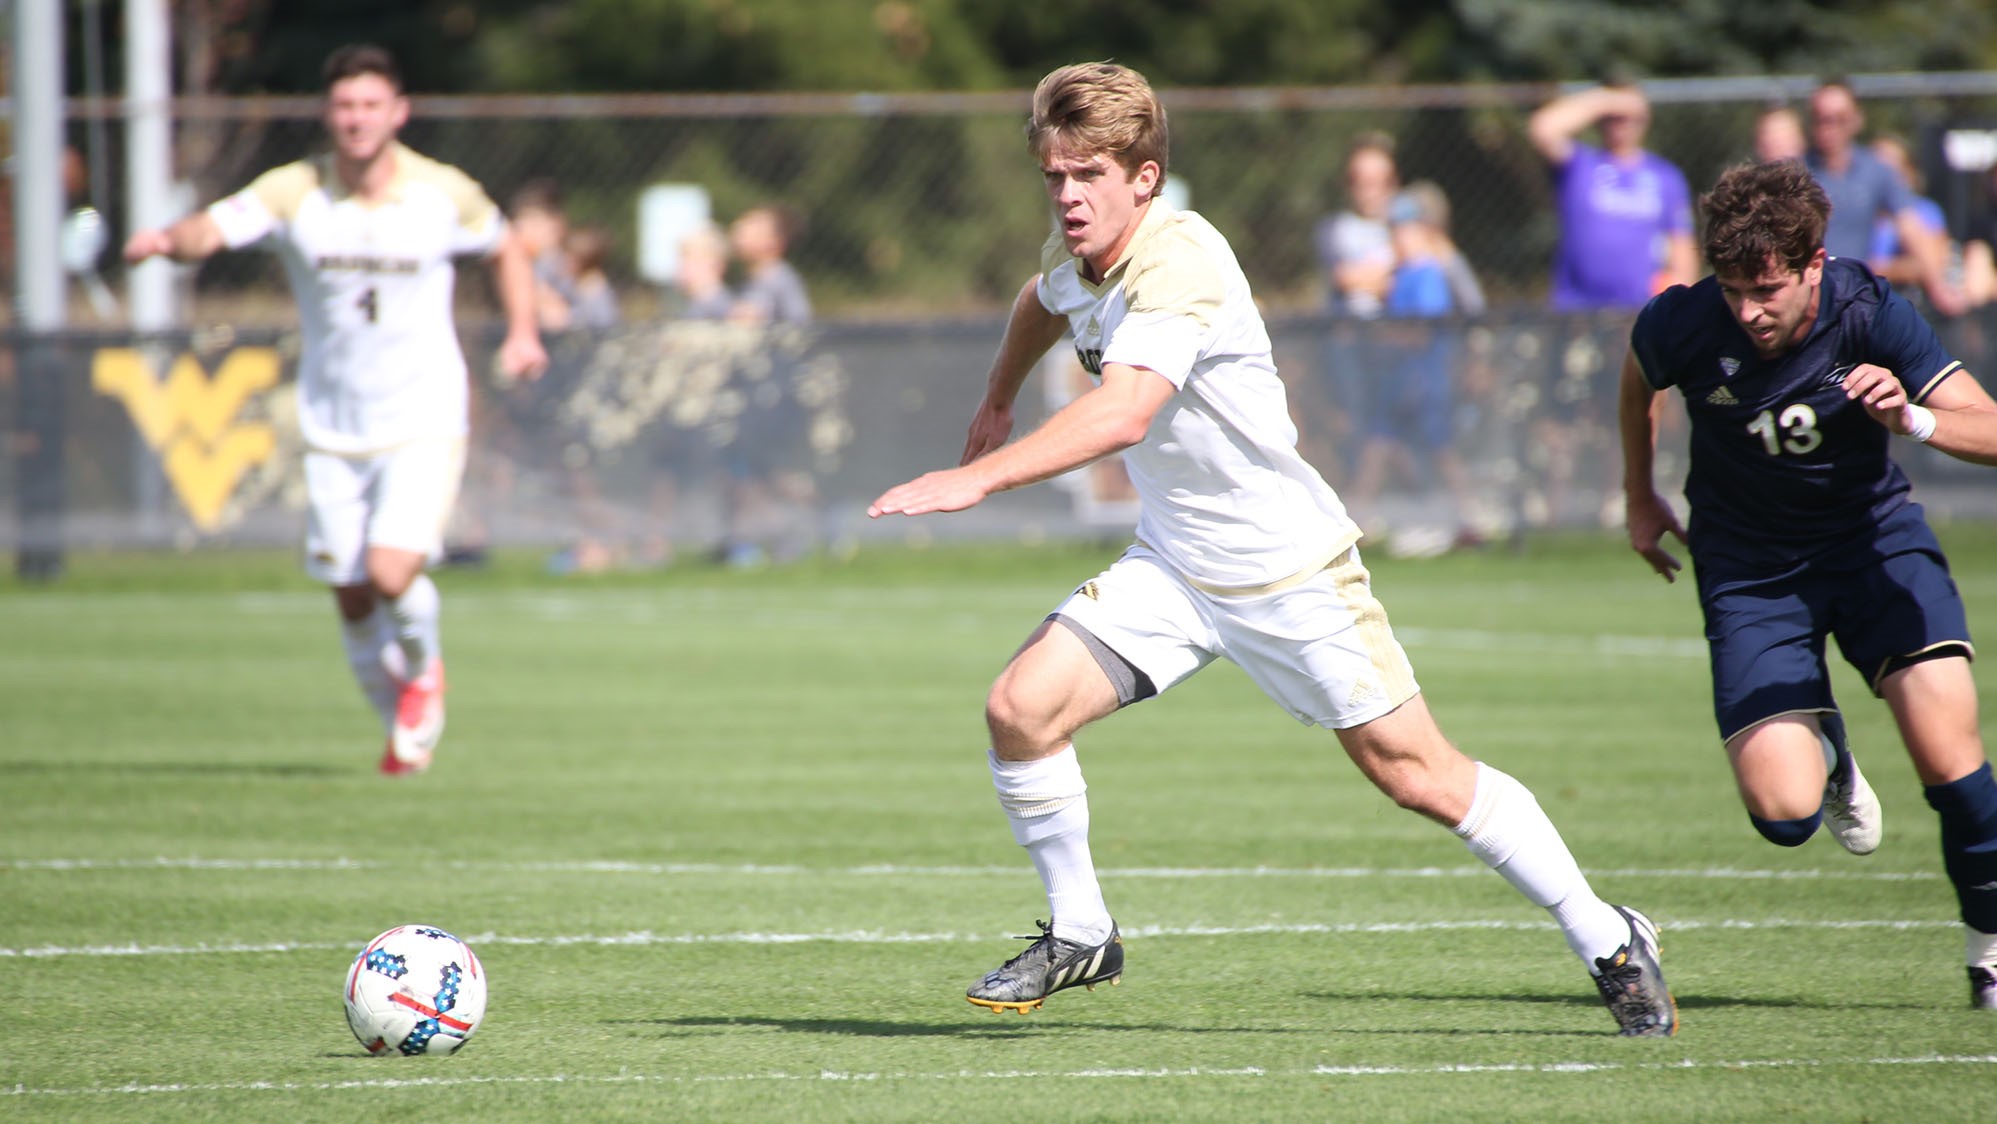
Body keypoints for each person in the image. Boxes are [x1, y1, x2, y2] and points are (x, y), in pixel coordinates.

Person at [867, 61, 1677, 1036]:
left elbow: (1123, 413)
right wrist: (997, 397)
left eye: (1088, 176)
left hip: (1288, 570)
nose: (1068, 196)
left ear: (1145, 177)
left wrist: (978, 477)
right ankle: (1081, 930)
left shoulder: (1179, 261)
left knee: (1415, 773)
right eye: (1054, 176)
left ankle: (1606, 935)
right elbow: (1041, 300)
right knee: (1019, 708)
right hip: (1173, 565)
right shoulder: (1077, 245)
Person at [1620, 159, 1997, 1010]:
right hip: (1749, 569)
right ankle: (1825, 753)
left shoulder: (1867, 310)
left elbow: (1988, 424)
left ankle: (1987, 956)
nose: (1747, 312)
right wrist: (1637, 493)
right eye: (1731, 291)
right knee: (1782, 812)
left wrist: (1913, 418)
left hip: (1871, 547)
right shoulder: (1685, 321)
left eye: (1765, 290)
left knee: (1950, 762)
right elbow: (1638, 374)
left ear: (1813, 265)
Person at [122, 44, 546, 775]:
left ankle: (426, 675)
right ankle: (398, 730)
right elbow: (212, 229)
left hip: (422, 414)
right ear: (328, 114)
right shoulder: (295, 191)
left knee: (390, 573)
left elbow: (506, 247)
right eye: (345, 106)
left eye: (371, 105)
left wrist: (524, 331)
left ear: (398, 113)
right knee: (350, 593)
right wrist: (167, 240)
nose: (356, 119)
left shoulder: (441, 192)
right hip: (332, 422)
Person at [1343, 183, 1485, 553]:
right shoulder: (1401, 274)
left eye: (1403, 230)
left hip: (1425, 380)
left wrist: (1380, 335)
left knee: (1441, 450)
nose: (1397, 239)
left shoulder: (1426, 273)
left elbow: (1423, 331)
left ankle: (1468, 520)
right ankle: (1353, 526)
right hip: (1399, 379)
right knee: (1377, 447)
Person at [1528, 80, 1698, 311]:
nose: (1620, 124)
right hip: (1576, 306)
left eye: (1627, 117)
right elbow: (1543, 129)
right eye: (1612, 117)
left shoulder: (1665, 176)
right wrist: (1606, 99)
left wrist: (1677, 304)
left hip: (1638, 308)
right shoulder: (1580, 165)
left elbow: (1681, 247)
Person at [1805, 79, 1966, 317]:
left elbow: (1910, 225)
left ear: (1857, 119)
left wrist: (1940, 288)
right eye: (1821, 118)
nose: (1829, 127)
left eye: (1839, 118)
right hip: (1807, 298)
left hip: (1854, 299)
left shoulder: (1875, 170)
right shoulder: (1796, 173)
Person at [719, 203, 814, 566]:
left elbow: (744, 325)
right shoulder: (756, 281)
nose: (738, 230)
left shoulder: (775, 280)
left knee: (756, 469)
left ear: (775, 242)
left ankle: (814, 520)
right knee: (749, 468)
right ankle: (752, 538)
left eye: (751, 226)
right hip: (756, 394)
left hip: (775, 395)